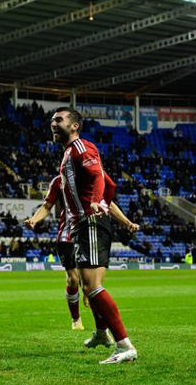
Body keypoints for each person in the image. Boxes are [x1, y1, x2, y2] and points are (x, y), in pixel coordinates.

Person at [49, 107, 137, 364]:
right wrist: (103, 200)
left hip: (90, 223)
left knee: (91, 287)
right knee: (91, 287)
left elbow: (100, 179)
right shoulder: (71, 154)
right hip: (88, 223)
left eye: (59, 120)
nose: (53, 124)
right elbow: (109, 183)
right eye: (52, 120)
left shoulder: (80, 148)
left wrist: (97, 201)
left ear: (74, 125)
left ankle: (125, 345)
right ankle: (101, 333)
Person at [26, 173, 140, 331]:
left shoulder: (91, 179)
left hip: (88, 234)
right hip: (67, 236)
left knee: (92, 283)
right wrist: (34, 220)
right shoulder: (58, 182)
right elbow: (47, 206)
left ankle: (99, 325)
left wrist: (127, 222)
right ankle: (76, 319)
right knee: (73, 279)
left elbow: (108, 203)